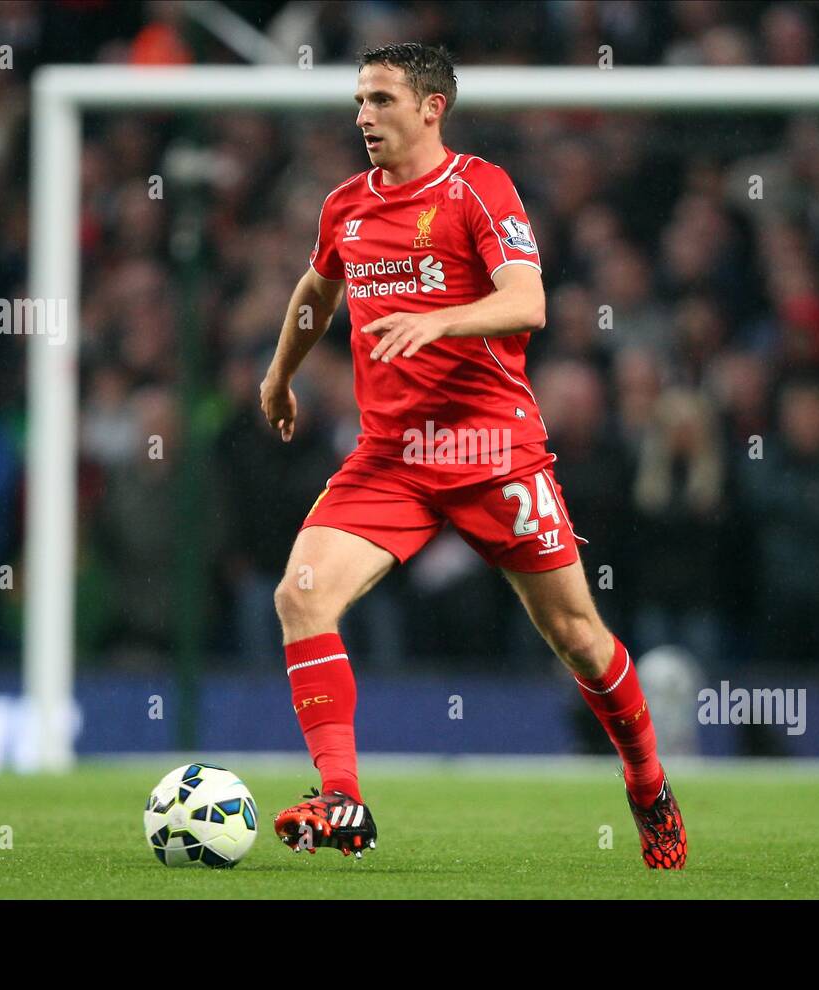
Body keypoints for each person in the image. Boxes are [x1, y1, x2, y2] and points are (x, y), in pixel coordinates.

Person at [258, 43, 685, 869]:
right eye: (358, 101)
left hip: (492, 451)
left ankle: (646, 781)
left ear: (431, 107)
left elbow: (529, 300)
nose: (362, 117)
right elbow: (319, 289)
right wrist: (279, 377)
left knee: (579, 639)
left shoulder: (478, 189)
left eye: (380, 100)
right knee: (300, 595)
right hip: (391, 459)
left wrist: (441, 320)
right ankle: (343, 798)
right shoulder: (345, 205)